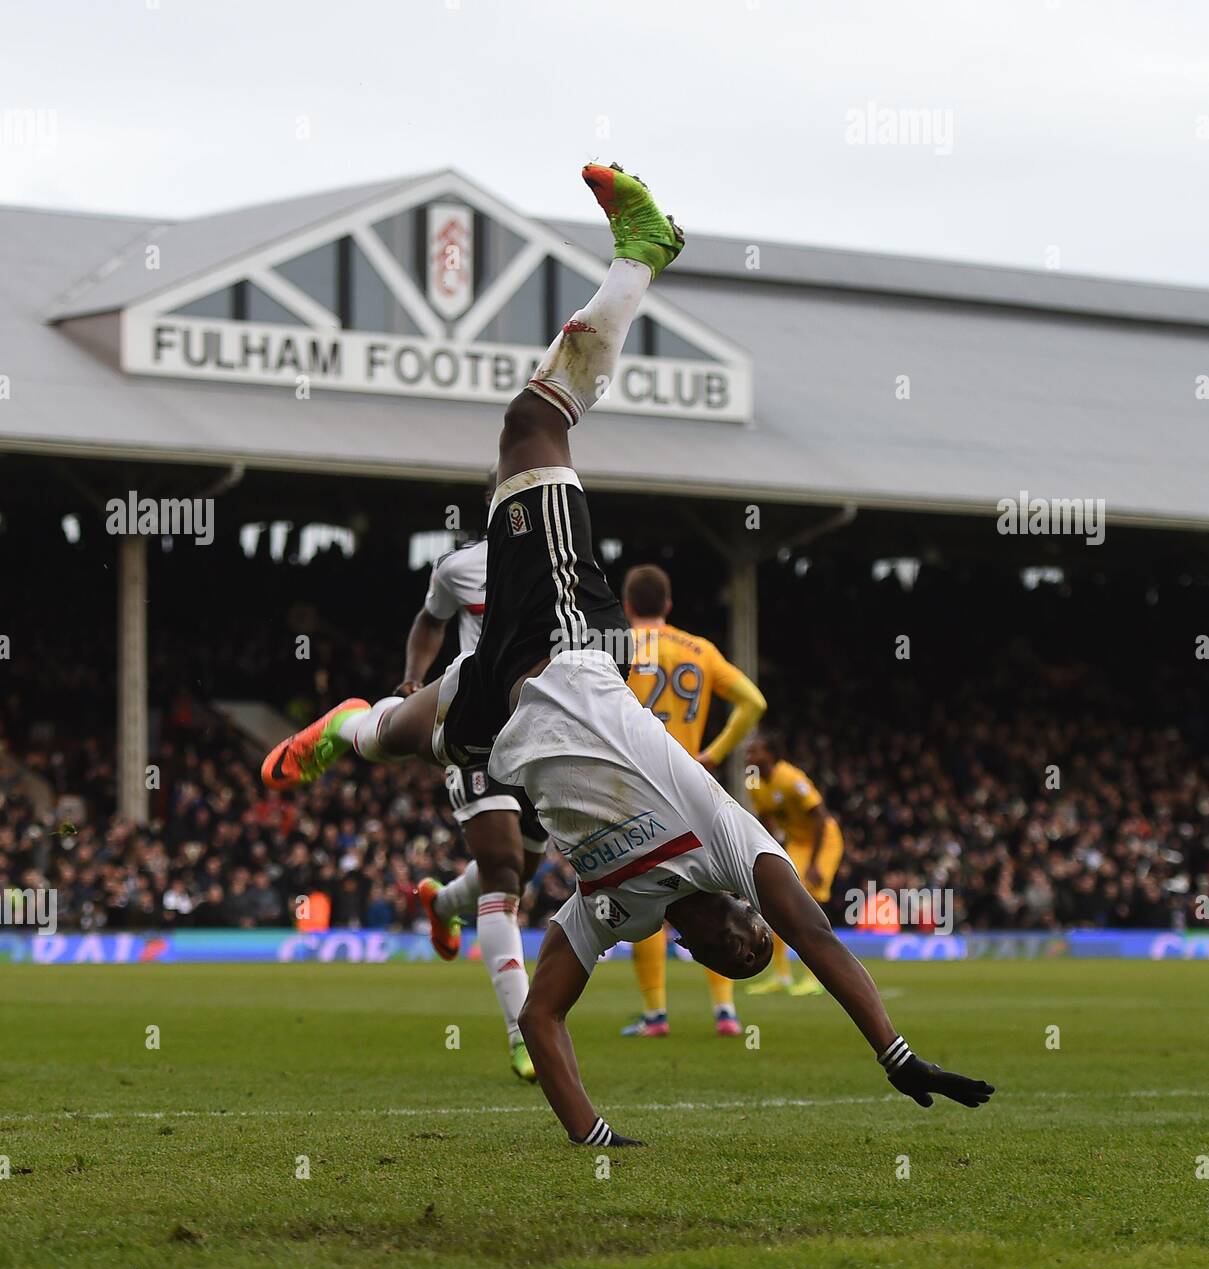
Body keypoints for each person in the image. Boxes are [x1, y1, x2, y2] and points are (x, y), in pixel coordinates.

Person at [262, 162, 993, 1144]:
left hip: (499, 709)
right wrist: (894, 1050)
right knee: (531, 423)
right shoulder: (727, 839)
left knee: (394, 735)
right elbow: (813, 931)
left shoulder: (620, 910)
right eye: (751, 940)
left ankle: (345, 727)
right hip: (560, 645)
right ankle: (641, 254)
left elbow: (542, 1014)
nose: (752, 935)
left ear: (717, 945)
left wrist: (594, 1137)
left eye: (740, 950)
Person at [398, 486, 546, 1083]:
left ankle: (445, 901)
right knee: (506, 873)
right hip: (476, 730)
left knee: (521, 873)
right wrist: (413, 681)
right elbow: (428, 622)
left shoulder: (561, 567)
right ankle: (523, 1034)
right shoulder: (459, 568)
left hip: (540, 734)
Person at [619, 563, 767, 1037]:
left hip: (638, 784)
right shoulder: (698, 649)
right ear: (667, 606)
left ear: (627, 606)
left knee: (644, 896)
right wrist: (714, 753)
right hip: (691, 782)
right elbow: (753, 702)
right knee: (713, 894)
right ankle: (725, 1011)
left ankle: (655, 1014)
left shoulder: (619, 644)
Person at [745, 730, 843, 996]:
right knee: (778, 899)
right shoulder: (753, 783)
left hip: (823, 840)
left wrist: (814, 864)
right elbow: (766, 821)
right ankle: (782, 976)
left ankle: (815, 977)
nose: (748, 755)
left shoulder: (792, 779)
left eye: (754, 751)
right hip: (797, 842)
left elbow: (821, 817)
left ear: (770, 754)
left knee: (809, 901)